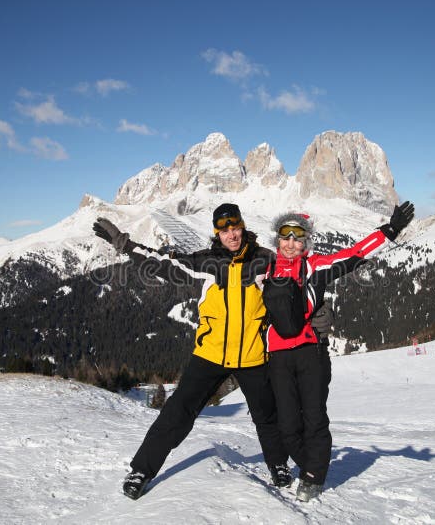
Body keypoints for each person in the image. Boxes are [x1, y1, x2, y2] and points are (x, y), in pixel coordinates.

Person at [93, 203, 290, 500]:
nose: (232, 235)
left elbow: (300, 279)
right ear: (217, 233)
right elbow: (160, 262)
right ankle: (141, 471)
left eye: (235, 228)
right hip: (210, 354)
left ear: (243, 226)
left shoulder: (266, 260)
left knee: (266, 414)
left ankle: (278, 466)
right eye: (225, 230)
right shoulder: (205, 263)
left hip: (251, 355)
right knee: (177, 413)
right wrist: (125, 244)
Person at [263, 201, 414, 502]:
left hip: (311, 352)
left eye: (298, 237)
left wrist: (390, 230)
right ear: (277, 239)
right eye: (285, 236)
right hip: (278, 357)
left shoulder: (316, 266)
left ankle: (313, 476)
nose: (291, 243)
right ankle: (311, 465)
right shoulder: (263, 269)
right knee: (288, 424)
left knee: (315, 417)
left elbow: (356, 254)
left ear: (305, 242)